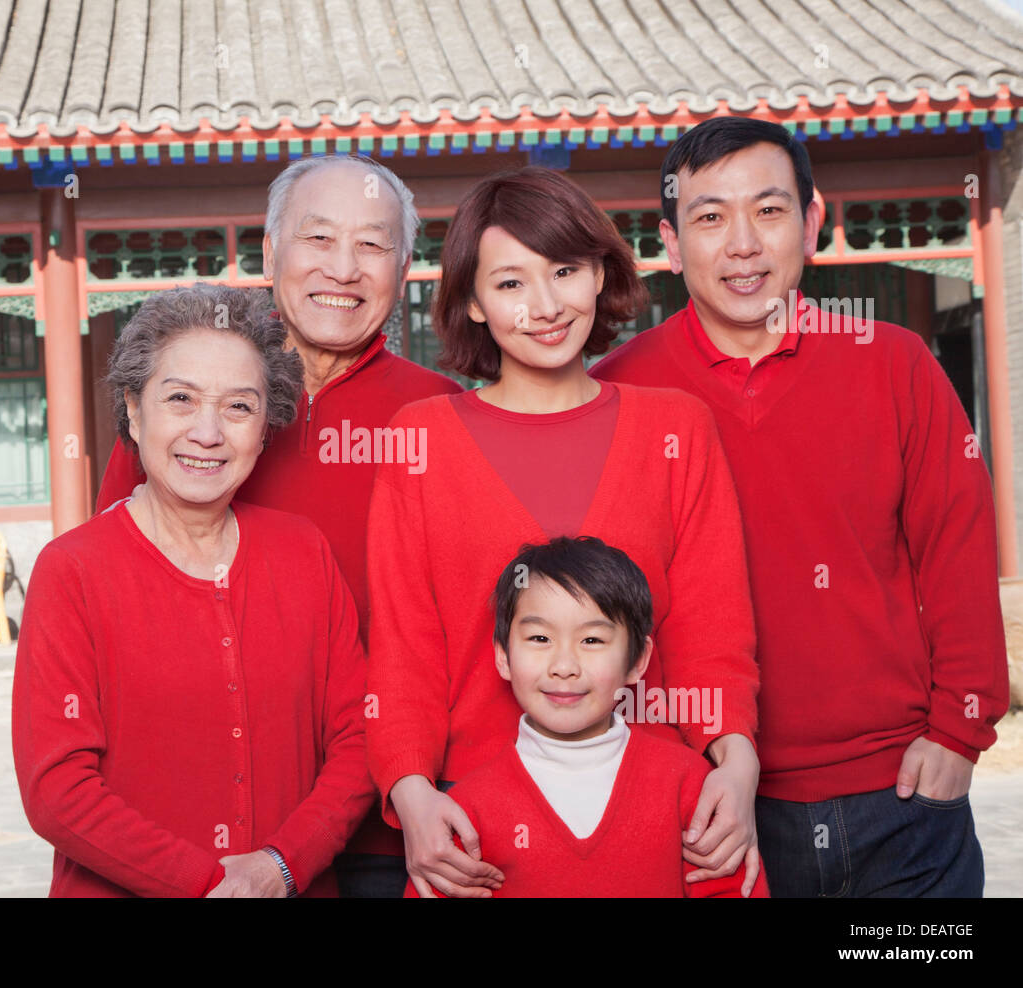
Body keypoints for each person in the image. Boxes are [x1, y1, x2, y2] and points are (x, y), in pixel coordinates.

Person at [591, 116, 1010, 897]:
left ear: (813, 223)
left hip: (902, 798)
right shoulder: (619, 389)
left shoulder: (894, 365)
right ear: (672, 243)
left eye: (770, 210)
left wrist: (959, 733)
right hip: (706, 801)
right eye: (710, 217)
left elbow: (958, 550)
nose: (743, 244)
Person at [366, 167, 763, 900]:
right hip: (472, 819)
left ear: (599, 276)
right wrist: (412, 796)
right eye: (510, 283)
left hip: (657, 807)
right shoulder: (418, 440)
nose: (545, 306)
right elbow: (403, 647)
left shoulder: (675, 427)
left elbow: (712, 625)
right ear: (474, 303)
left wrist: (736, 768)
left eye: (565, 270)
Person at [92, 154, 461, 897]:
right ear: (269, 253)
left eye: (372, 245)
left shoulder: (445, 417)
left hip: (403, 822)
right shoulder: (195, 412)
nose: (344, 269)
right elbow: (110, 592)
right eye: (318, 239)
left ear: (405, 266)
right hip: (214, 827)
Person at [12, 284, 373, 897]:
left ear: (266, 426)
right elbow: (57, 789)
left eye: (238, 407)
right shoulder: (71, 570)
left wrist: (281, 866)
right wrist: (207, 884)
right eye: (180, 399)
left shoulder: (302, 552)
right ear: (134, 408)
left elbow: (359, 737)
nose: (207, 433)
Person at [409, 536, 769, 897]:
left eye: (592, 641)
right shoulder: (466, 810)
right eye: (538, 638)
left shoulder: (690, 785)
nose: (564, 666)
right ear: (503, 655)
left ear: (638, 660)